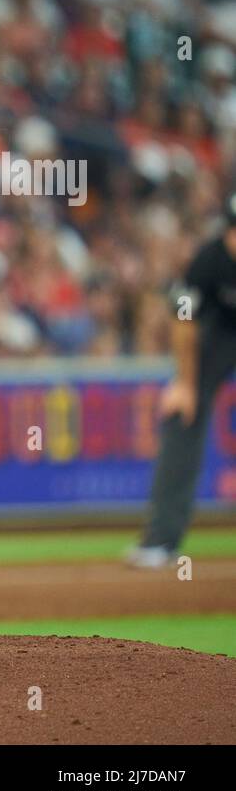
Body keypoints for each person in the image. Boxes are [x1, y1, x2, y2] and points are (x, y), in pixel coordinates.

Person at [128, 193, 236, 568]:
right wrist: (186, 384)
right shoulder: (208, 262)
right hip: (219, 334)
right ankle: (162, 539)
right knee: (181, 415)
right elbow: (184, 320)